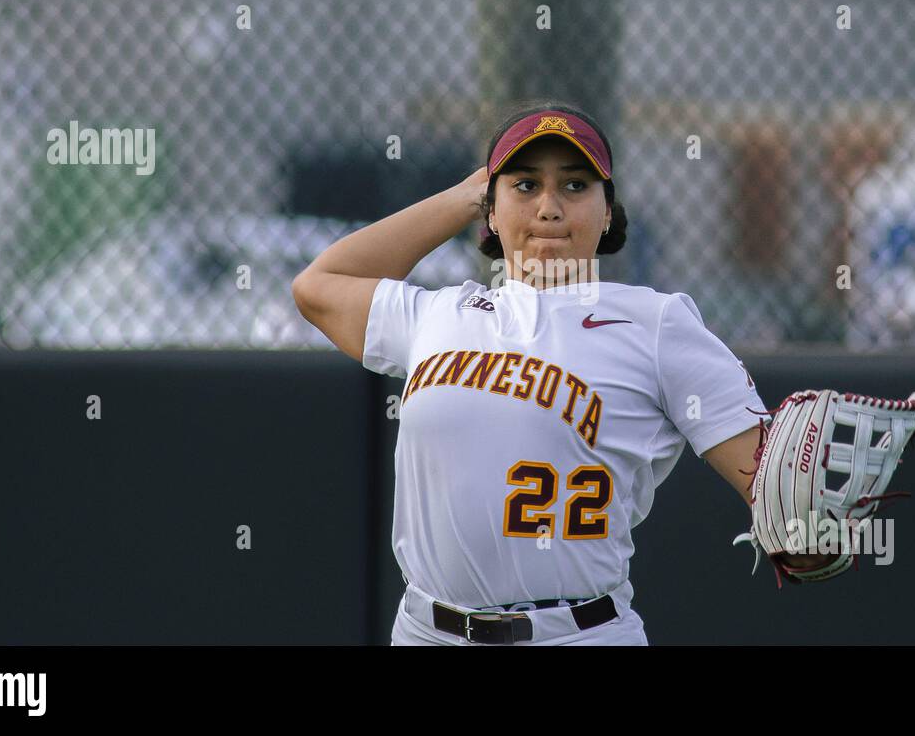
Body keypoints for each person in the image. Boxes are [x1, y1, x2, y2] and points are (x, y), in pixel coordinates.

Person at [292, 101, 834, 645]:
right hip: (425, 632)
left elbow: (778, 496)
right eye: (525, 186)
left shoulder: (656, 324)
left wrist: (809, 531)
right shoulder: (437, 314)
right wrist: (465, 195)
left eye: (575, 186)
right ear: (490, 210)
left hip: (579, 633)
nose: (549, 207)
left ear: (606, 212)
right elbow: (318, 285)